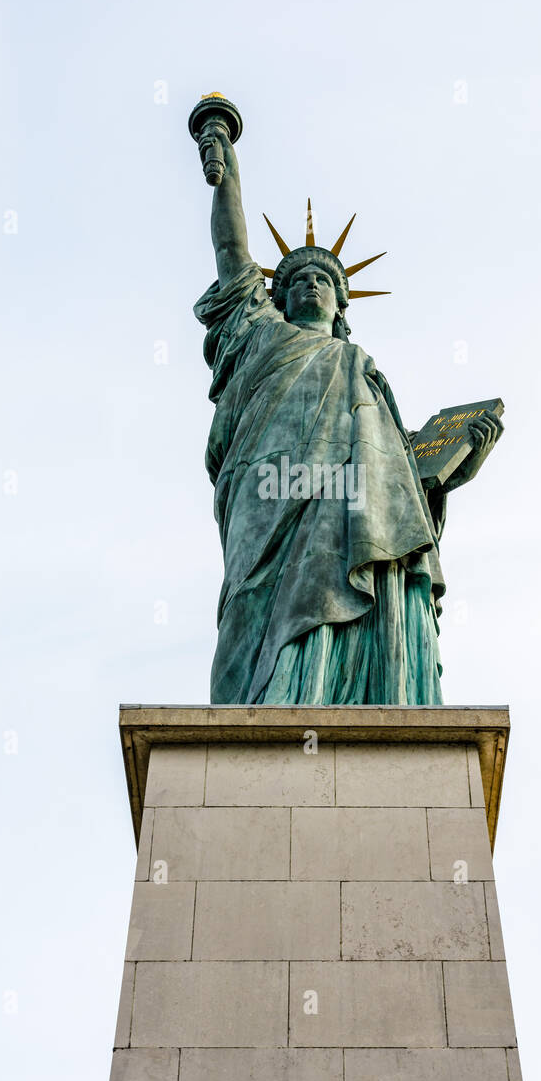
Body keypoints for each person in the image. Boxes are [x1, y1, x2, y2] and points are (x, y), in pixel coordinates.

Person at [193, 114, 502, 704]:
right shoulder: (258, 333)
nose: (310, 284)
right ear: (277, 299)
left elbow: (398, 483)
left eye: (323, 280)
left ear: (340, 304)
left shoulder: (362, 369)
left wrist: (449, 473)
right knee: (249, 613)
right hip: (268, 492)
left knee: (354, 591)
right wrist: (223, 163)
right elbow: (232, 250)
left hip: (350, 507)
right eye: (298, 279)